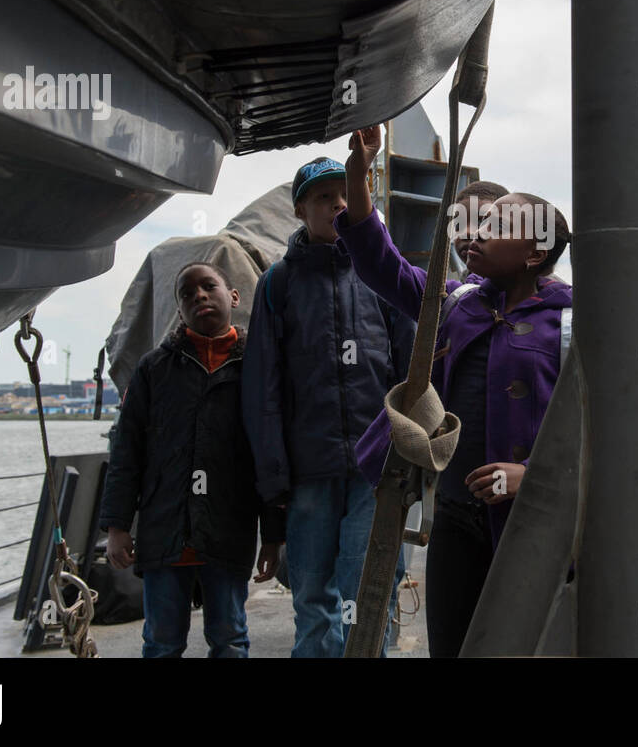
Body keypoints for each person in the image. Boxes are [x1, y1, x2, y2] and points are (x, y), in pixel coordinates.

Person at [337, 126, 572, 657]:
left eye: (496, 225)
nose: (474, 234)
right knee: (452, 645)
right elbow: (379, 261)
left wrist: (531, 477)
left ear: (535, 255)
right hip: (458, 514)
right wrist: (358, 176)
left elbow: (604, 431)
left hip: (534, 520)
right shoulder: (453, 299)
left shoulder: (574, 323)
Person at [241, 157, 414, 658]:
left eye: (345, 194)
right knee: (314, 592)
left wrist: (406, 457)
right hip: (309, 469)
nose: (337, 203)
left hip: (374, 468)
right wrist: (273, 477)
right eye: (323, 197)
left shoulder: (383, 275)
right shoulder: (278, 285)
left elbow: (409, 373)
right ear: (300, 210)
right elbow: (263, 390)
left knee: (370, 587)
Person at [99, 262, 283, 658]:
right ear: (180, 311)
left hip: (228, 532)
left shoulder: (257, 367)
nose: (198, 295)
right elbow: (127, 453)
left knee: (229, 639)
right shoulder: (153, 370)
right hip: (164, 534)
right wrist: (116, 526)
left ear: (233, 296)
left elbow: (269, 457)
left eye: (208, 286)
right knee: (162, 643)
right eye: (186, 293)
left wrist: (272, 536)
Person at [451, 180, 509, 279]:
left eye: (481, 222)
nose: (466, 232)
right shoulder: (462, 286)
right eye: (458, 225)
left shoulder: (528, 290)